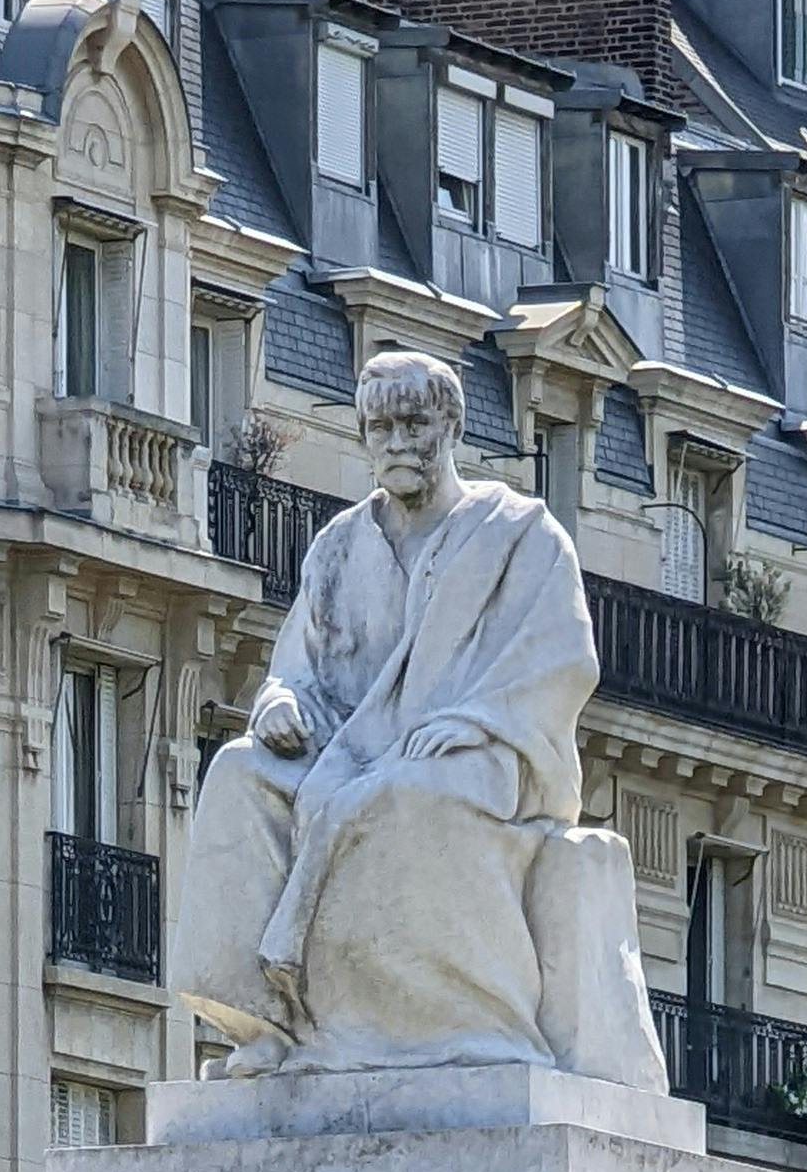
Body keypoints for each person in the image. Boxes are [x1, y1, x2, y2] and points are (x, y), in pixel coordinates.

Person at [177, 348, 663, 1088]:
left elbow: (561, 661)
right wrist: (279, 702)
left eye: (414, 424)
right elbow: (299, 665)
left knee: (400, 797)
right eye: (381, 428)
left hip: (480, 754)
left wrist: (478, 720)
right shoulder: (340, 546)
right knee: (240, 772)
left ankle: (465, 1027)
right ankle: (273, 1024)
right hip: (347, 747)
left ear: (452, 427)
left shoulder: (520, 534)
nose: (398, 442)